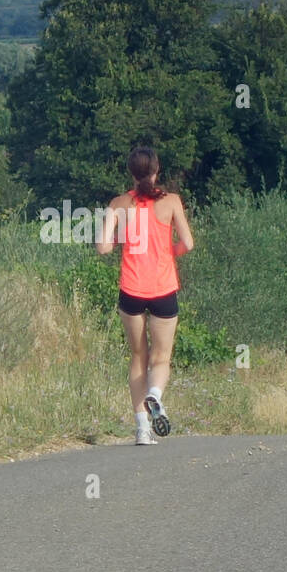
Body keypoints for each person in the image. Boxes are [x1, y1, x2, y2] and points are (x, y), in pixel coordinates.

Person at [96, 147, 194, 445]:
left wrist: (119, 239)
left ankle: (141, 429)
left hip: (131, 290)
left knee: (139, 356)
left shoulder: (118, 204)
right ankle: (155, 395)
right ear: (156, 169)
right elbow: (188, 244)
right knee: (161, 358)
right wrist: (168, 253)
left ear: (131, 172)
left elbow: (102, 248)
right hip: (163, 289)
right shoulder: (172, 202)